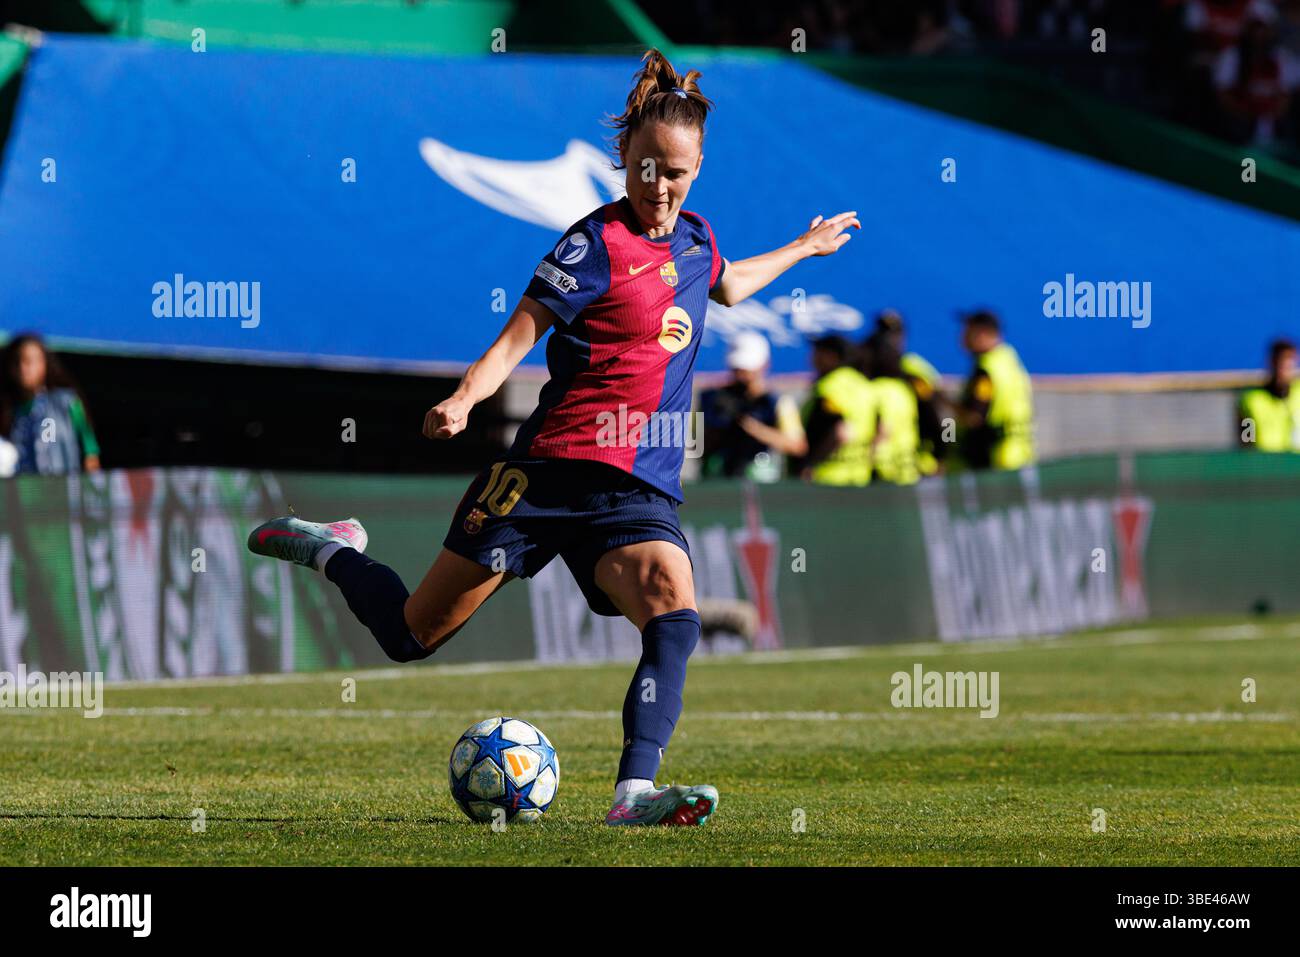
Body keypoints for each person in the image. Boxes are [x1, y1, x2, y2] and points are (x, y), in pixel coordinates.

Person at [247, 49, 858, 827]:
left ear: (698, 166)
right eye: (644, 169)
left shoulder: (698, 240)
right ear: (624, 161)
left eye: (673, 172)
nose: (658, 187)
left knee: (675, 612)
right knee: (410, 636)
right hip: (545, 474)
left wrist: (805, 248)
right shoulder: (592, 245)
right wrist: (466, 397)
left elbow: (730, 285)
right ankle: (331, 547)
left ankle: (632, 793)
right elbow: (519, 335)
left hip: (632, 486)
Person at [699, 331, 807, 482]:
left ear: (764, 365)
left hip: (761, 479)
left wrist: (754, 428)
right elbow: (694, 446)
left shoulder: (779, 402)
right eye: (737, 369)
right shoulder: (710, 398)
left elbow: (797, 445)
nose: (742, 375)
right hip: (718, 478)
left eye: (747, 369)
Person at [858, 309, 946, 474]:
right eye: (884, 336)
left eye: (893, 335)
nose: (888, 342)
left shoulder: (915, 370)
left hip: (914, 463)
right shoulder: (867, 369)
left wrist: (941, 455)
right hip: (873, 466)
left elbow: (939, 418)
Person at [0, 333, 101, 475]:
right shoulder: (11, 413)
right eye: (17, 362)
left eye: (29, 361)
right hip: (28, 490)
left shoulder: (65, 401)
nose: (23, 369)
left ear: (44, 363)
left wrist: (91, 458)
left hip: (62, 486)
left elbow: (87, 441)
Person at [955, 310, 1034, 471]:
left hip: (995, 458)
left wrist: (944, 402)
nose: (962, 336)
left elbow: (974, 417)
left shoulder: (986, 370)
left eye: (968, 331)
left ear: (982, 334)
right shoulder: (1008, 360)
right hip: (1020, 452)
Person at [799, 334, 875, 485]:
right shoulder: (864, 384)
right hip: (860, 476)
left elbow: (841, 432)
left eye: (817, 352)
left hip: (828, 478)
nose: (812, 358)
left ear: (831, 356)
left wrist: (811, 465)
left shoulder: (830, 386)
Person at [865, 340, 921, 485]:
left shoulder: (876, 390)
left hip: (883, 471)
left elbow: (884, 430)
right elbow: (946, 420)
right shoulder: (904, 390)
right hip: (907, 468)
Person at [1239, 337, 1300, 450]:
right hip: (1266, 465)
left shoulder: (1298, 395)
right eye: (1280, 363)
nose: (1284, 370)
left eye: (1288, 364)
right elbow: (1246, 442)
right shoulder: (1251, 401)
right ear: (1271, 362)